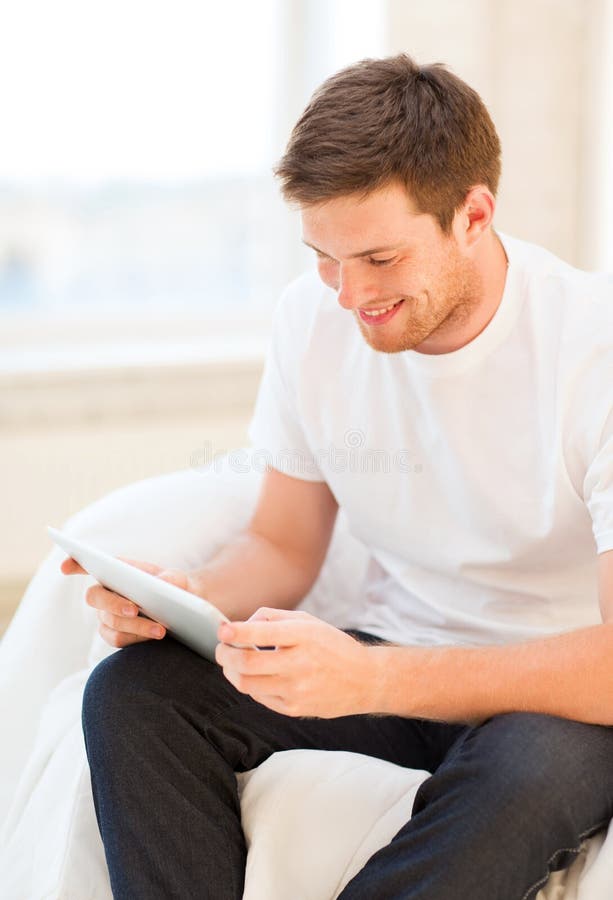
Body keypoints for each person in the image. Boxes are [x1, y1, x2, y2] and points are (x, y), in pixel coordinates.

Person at [63, 54, 613, 899]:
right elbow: (281, 545)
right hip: (390, 656)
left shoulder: (592, 353)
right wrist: (184, 597)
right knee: (137, 693)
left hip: (551, 698)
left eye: (380, 259)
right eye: (324, 255)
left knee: (533, 769)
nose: (349, 294)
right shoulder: (308, 321)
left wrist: (376, 679)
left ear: (473, 215)